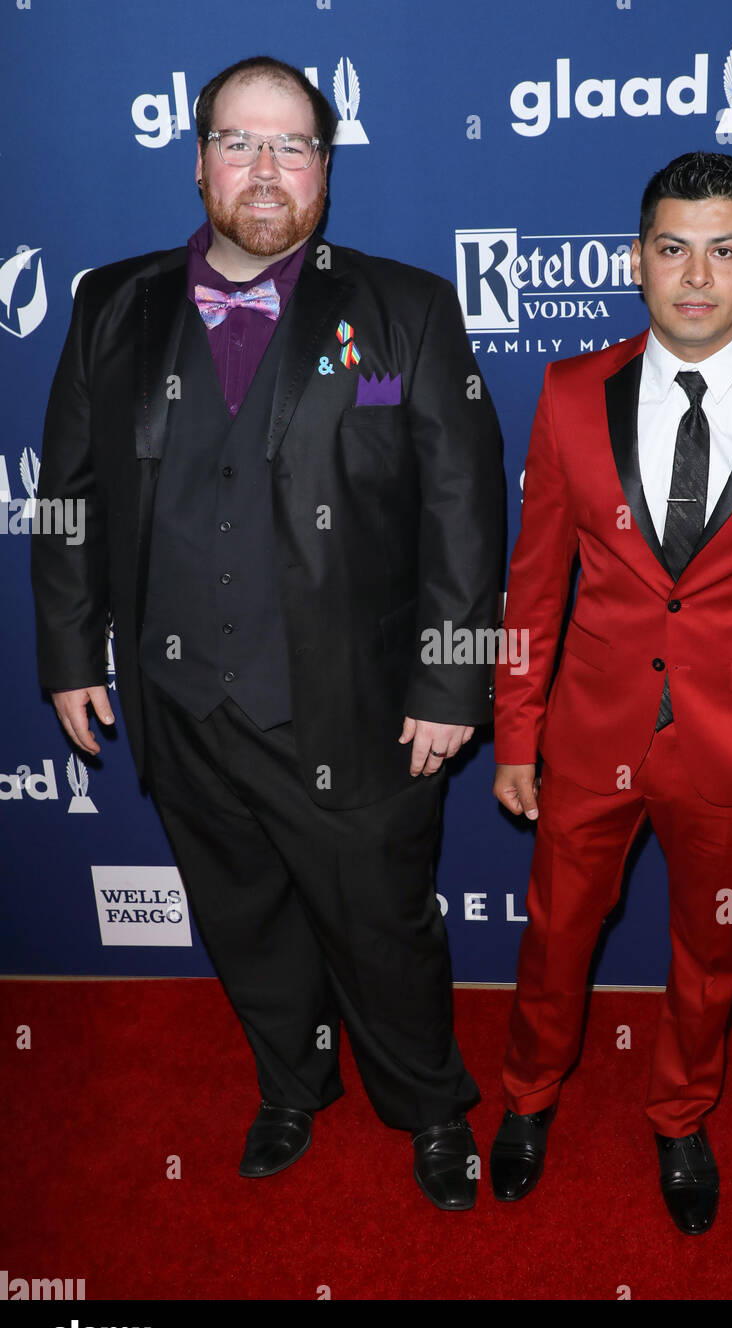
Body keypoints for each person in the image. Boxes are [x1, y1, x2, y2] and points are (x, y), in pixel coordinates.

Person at [32, 55, 505, 1212]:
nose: (263, 169)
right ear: (197, 162)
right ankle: (293, 1079)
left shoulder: (405, 306)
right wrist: (64, 651)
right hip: (177, 698)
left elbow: (467, 507)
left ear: (325, 176)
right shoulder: (111, 305)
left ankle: (431, 1106)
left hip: (349, 699)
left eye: (291, 146)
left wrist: (451, 686)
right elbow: (67, 497)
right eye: (238, 142)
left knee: (384, 928)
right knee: (241, 913)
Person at [489, 151, 732, 1233]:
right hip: (587, 732)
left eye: (720, 249)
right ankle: (526, 1096)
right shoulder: (570, 394)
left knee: (708, 955)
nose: (694, 275)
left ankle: (679, 1112)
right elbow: (531, 588)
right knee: (554, 934)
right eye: (671, 248)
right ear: (636, 261)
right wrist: (515, 730)